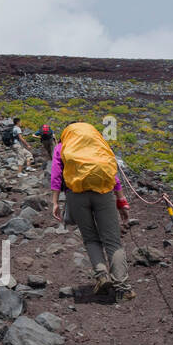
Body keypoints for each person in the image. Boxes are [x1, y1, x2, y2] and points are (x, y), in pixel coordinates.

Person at [46, 122, 134, 302]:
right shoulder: (97, 145)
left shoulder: (63, 146)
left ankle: (102, 276)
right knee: (113, 241)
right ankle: (123, 289)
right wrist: (121, 200)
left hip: (76, 195)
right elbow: (112, 172)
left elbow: (56, 174)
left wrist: (55, 201)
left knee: (91, 238)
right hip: (103, 193)